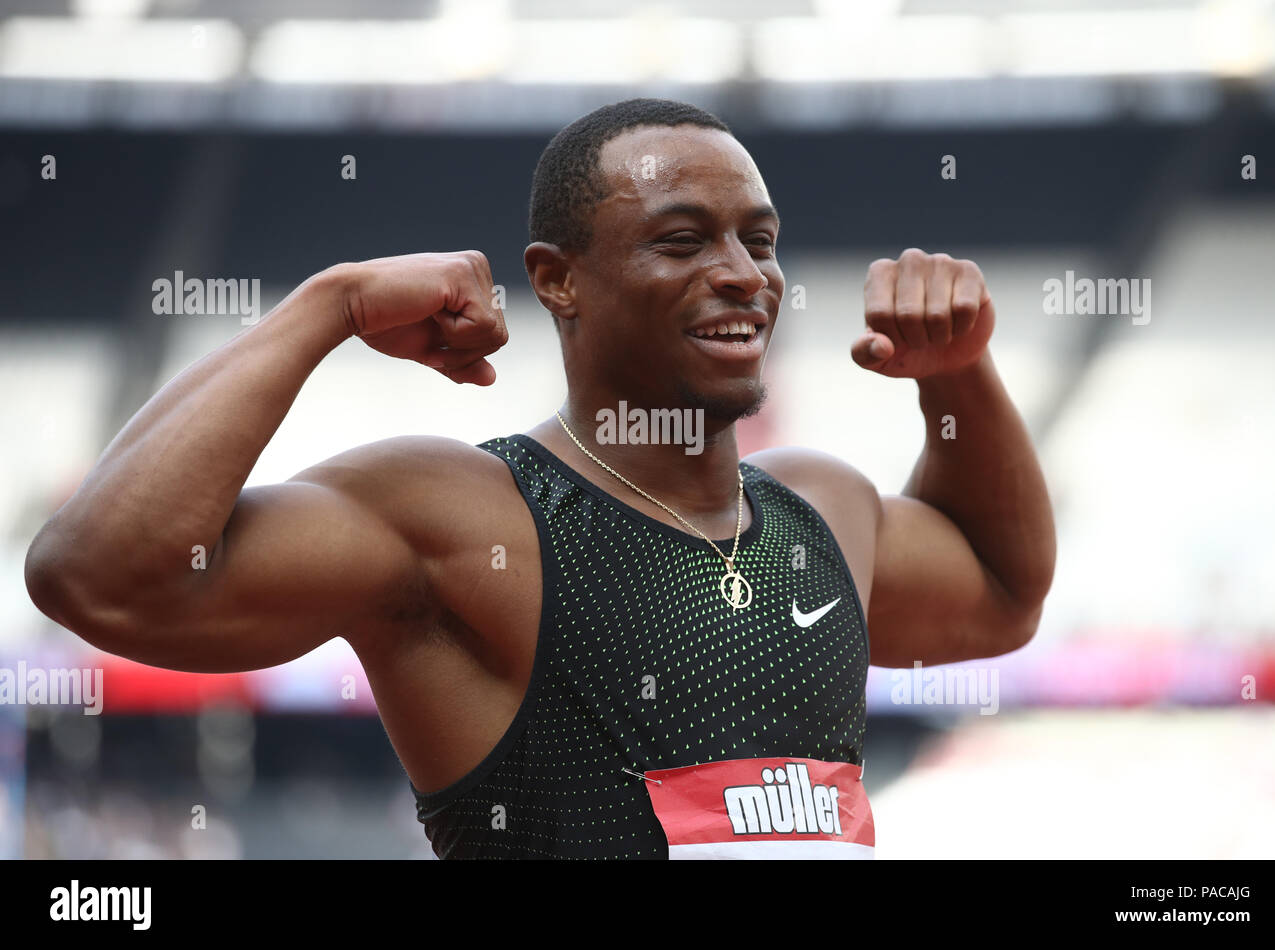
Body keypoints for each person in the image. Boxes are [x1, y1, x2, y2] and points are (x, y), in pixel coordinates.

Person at [24, 98, 1055, 859]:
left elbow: (1004, 594)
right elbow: (99, 573)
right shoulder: (463, 518)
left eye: (760, 239)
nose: (744, 272)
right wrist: (325, 308)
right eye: (683, 239)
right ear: (558, 278)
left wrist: (957, 370)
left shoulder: (822, 510)